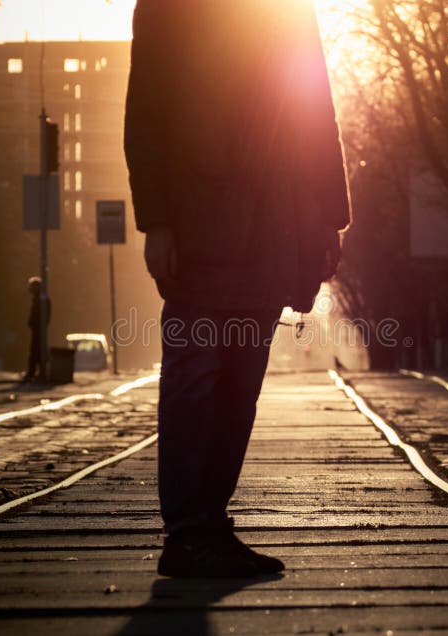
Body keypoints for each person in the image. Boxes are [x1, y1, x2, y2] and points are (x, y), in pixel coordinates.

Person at [124, 0, 351, 578]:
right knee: (196, 375)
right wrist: (157, 221)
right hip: (197, 219)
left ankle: (207, 525)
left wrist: (329, 216)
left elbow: (313, 102)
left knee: (239, 380)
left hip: (273, 220)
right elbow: (146, 110)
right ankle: (189, 531)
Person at [23, 276, 50, 382]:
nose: (30, 289)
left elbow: (42, 315)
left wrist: (36, 323)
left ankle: (35, 371)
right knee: (37, 350)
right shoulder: (39, 299)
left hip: (38, 329)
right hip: (37, 328)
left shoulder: (42, 299)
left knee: (36, 350)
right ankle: (36, 371)